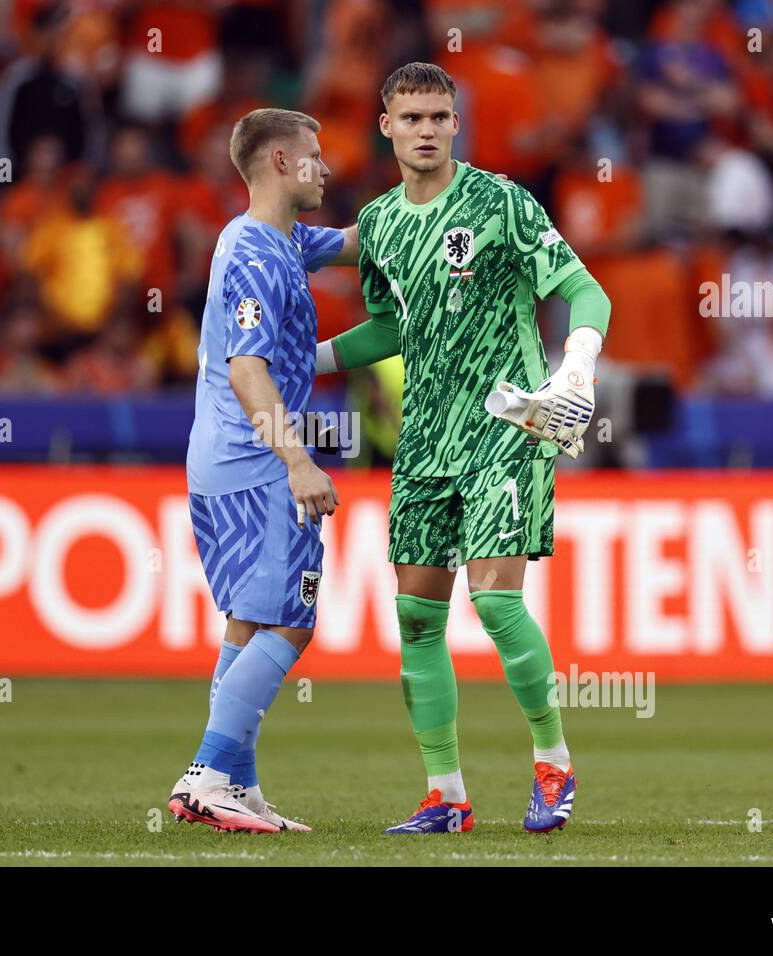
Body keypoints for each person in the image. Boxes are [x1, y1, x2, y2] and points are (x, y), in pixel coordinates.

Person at [317, 62, 611, 835]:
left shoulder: (501, 201)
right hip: (422, 440)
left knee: (494, 600)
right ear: (385, 124)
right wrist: (306, 359)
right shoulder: (379, 223)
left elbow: (588, 291)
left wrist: (574, 365)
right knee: (415, 621)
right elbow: (389, 328)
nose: (426, 130)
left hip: (505, 427)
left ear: (456, 123)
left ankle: (553, 761)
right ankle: (445, 795)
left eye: (439, 117)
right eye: (411, 118)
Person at [169, 108, 357, 833]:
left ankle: (236, 786)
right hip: (256, 464)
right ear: (280, 163)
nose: (326, 168)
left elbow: (356, 239)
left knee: (249, 621)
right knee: (292, 620)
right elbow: (248, 367)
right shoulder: (254, 252)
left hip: (220, 458)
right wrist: (298, 458)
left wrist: (442, 194)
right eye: (314, 156)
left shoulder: (271, 239)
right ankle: (209, 770)